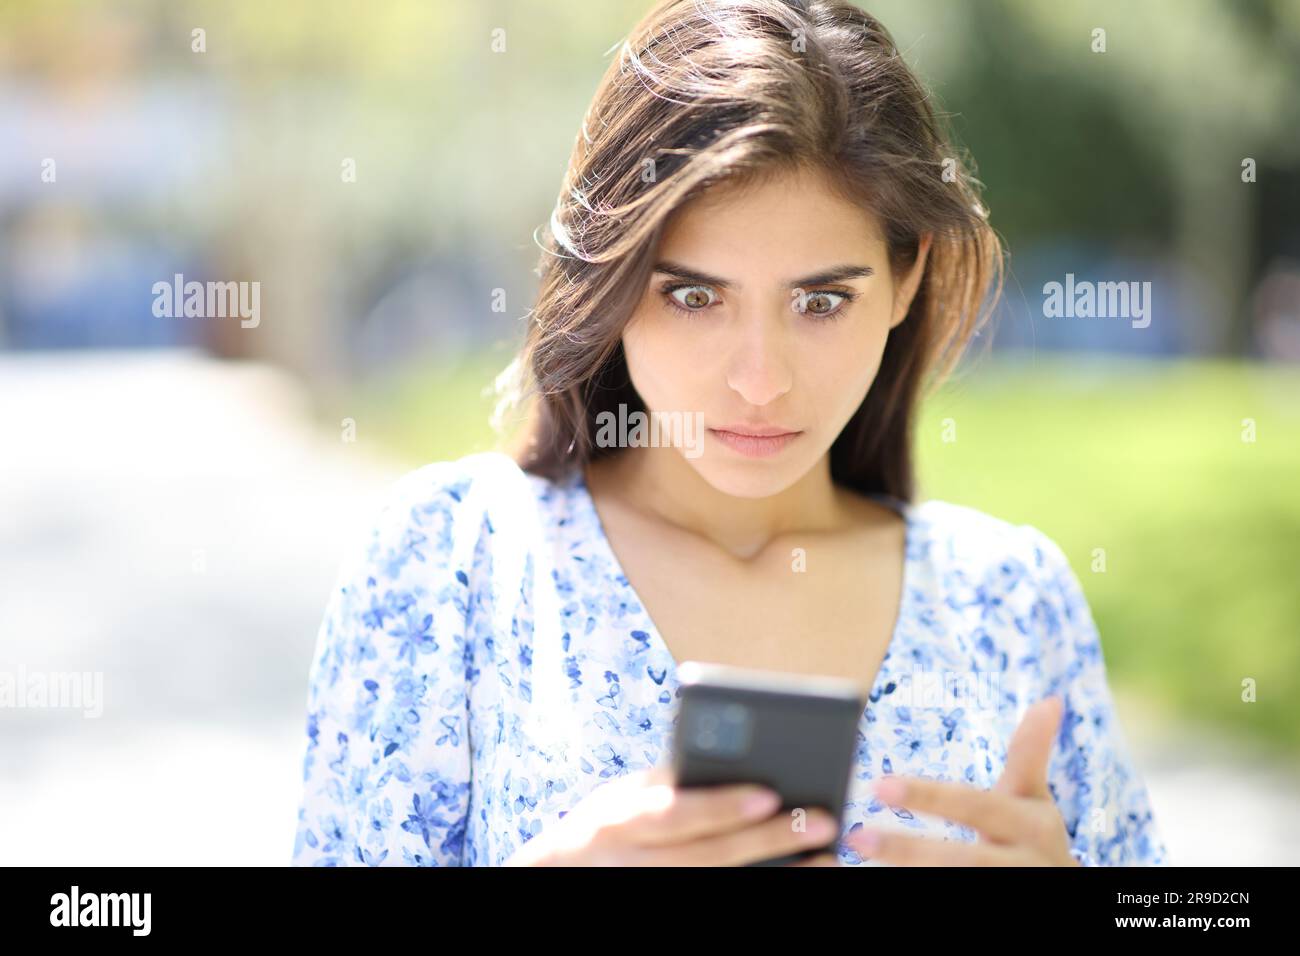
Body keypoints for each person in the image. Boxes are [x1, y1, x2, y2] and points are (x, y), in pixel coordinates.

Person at [291, 0, 1168, 867]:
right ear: (612, 279)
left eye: (821, 301)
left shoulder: (1012, 602)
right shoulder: (449, 563)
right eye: (695, 297)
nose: (760, 380)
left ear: (908, 281)